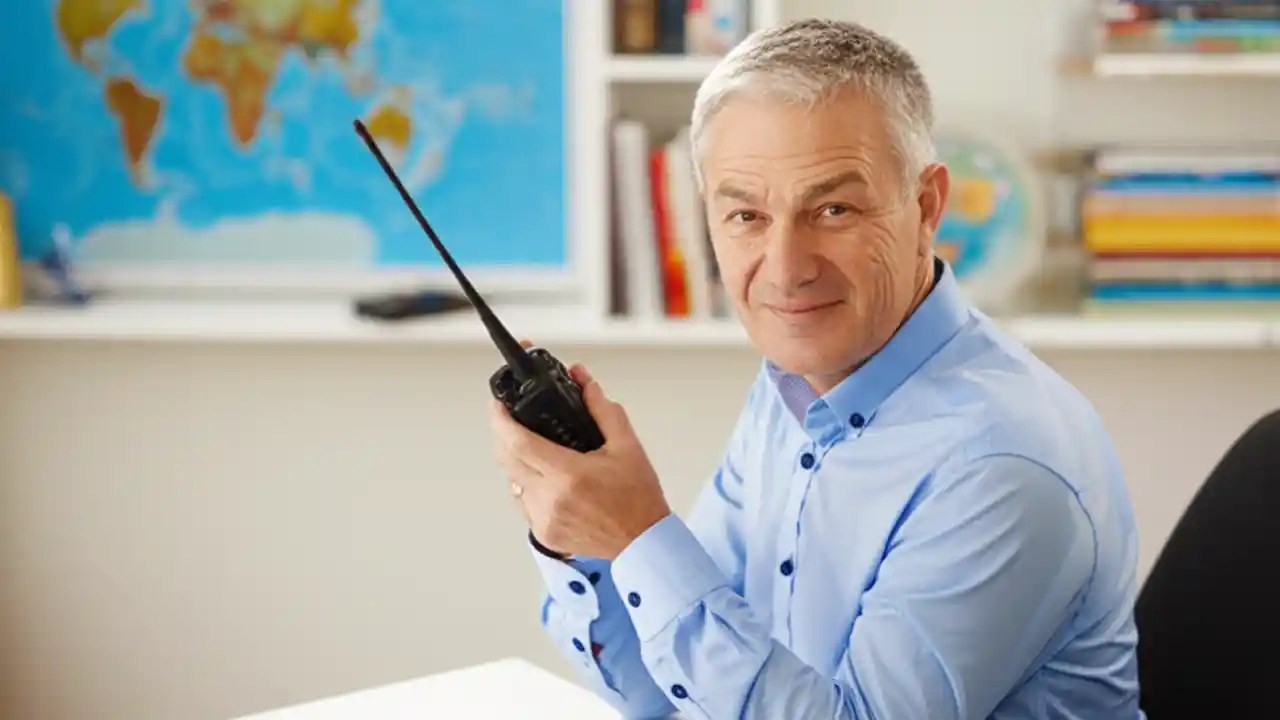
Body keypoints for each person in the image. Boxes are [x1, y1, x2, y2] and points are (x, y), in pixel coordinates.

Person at [488, 18, 1143, 720]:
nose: (787, 269)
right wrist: (585, 540)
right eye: (745, 216)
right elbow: (668, 693)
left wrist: (638, 536)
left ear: (925, 208)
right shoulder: (792, 390)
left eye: (833, 209)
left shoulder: (1004, 465)